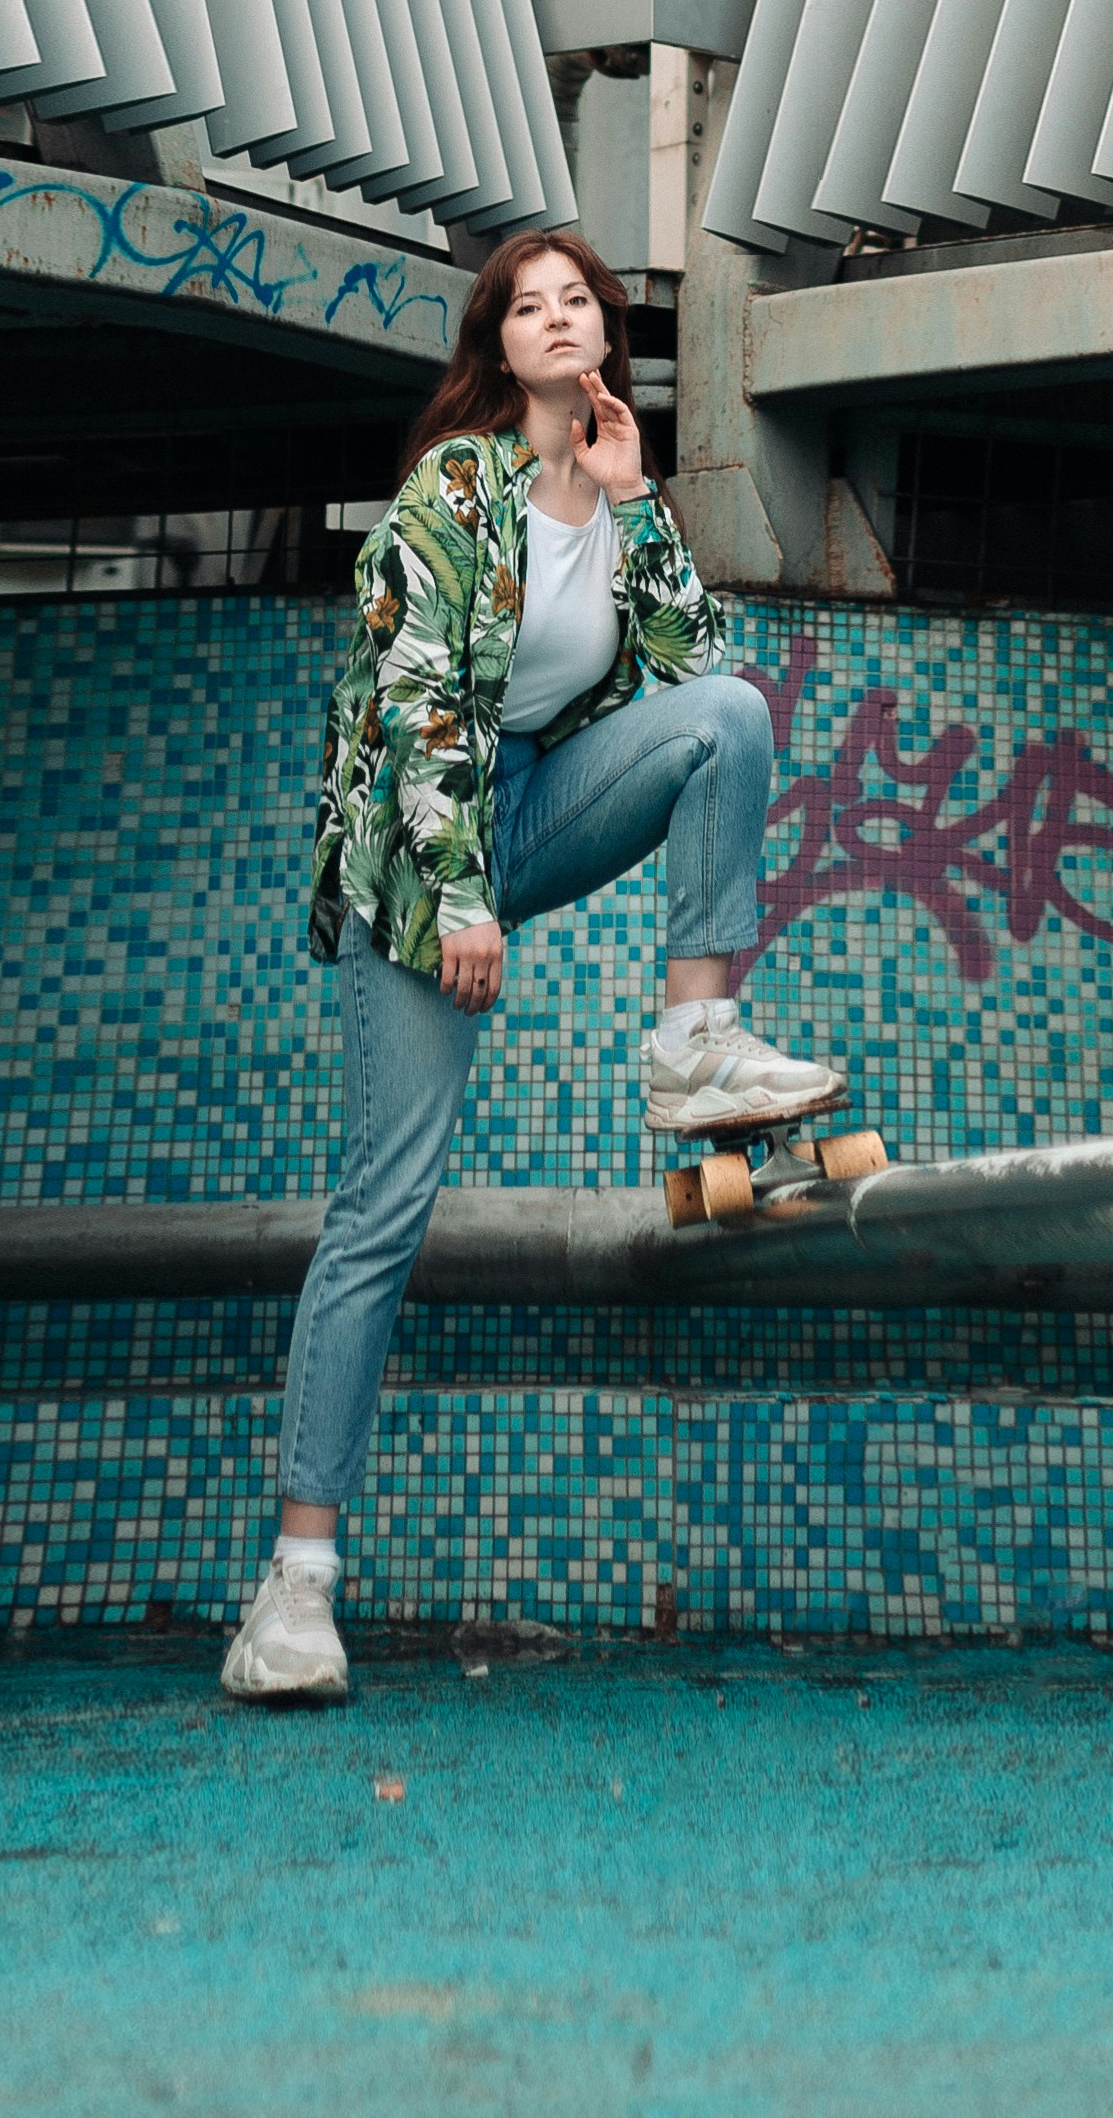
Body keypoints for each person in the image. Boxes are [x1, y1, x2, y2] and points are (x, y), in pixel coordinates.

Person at [220, 224, 837, 1704]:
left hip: (531, 818)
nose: (559, 319)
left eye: (580, 301)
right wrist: (456, 894)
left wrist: (637, 505)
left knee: (733, 715)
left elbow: (689, 675)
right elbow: (413, 694)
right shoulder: (456, 487)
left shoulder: (607, 492)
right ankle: (293, 1592)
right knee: (385, 1203)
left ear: (605, 340)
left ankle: (696, 1042)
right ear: (497, 348)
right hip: (415, 861)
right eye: (530, 305)